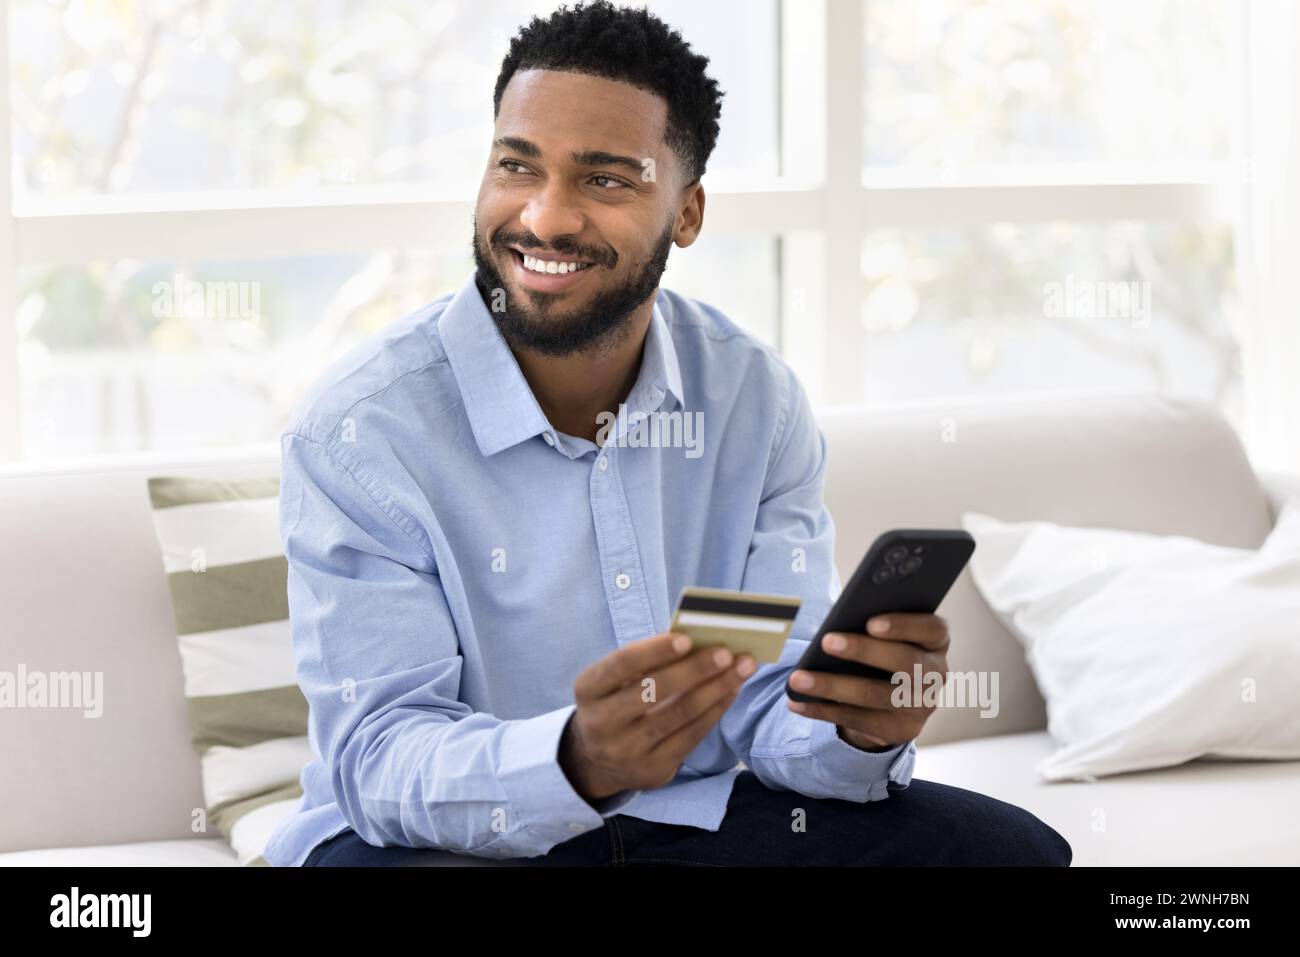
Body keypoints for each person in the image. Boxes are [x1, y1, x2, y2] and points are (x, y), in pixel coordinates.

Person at [264, 0, 1071, 868]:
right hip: (446, 843)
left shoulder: (751, 404)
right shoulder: (363, 431)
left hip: (694, 814)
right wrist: (577, 758)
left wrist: (857, 730)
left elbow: (768, 702)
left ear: (686, 214)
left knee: (1006, 855)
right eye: (516, 165)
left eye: (606, 179)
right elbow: (380, 754)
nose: (544, 217)